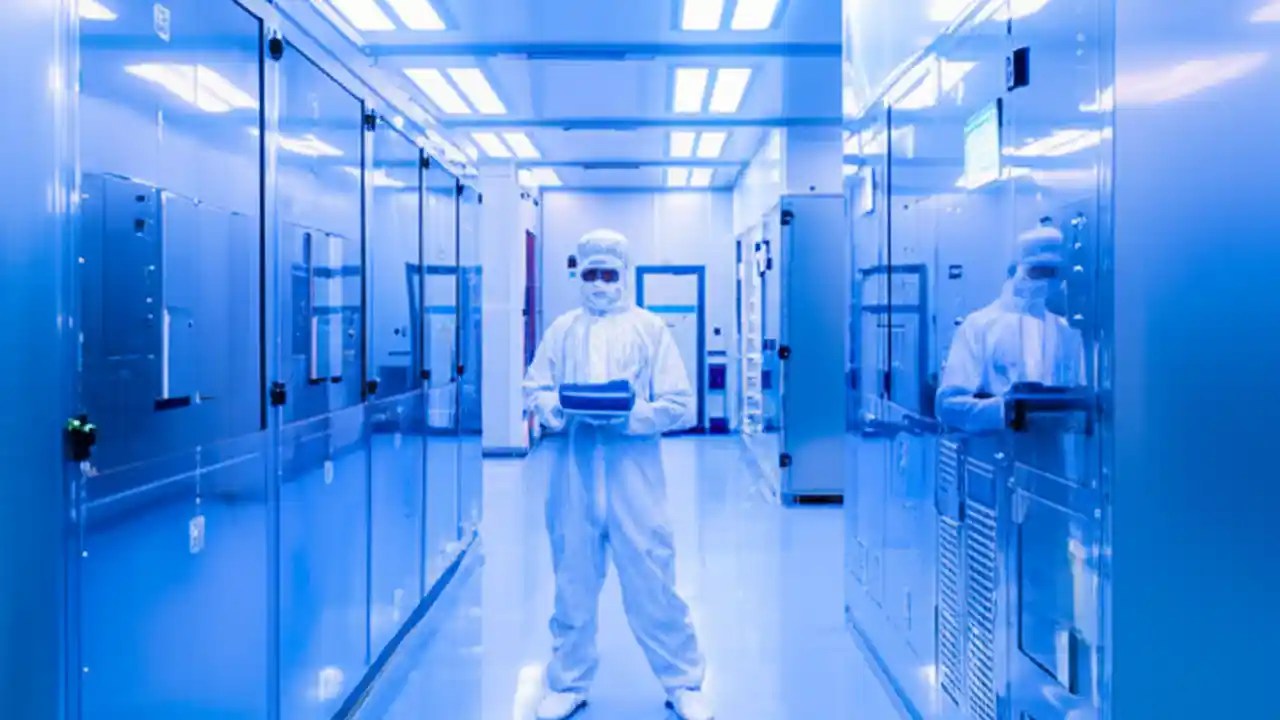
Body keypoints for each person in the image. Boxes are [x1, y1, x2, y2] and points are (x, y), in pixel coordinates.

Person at [523, 229, 713, 720]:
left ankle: (682, 683)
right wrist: (559, 408)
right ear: (579, 275)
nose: (600, 284)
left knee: (654, 581)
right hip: (575, 478)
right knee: (573, 583)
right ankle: (569, 683)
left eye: (609, 274)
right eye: (591, 274)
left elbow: (679, 402)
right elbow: (535, 388)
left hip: (635, 479)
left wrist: (631, 415)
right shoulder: (562, 330)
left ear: (624, 275)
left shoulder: (649, 329)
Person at [936, 221, 1086, 433]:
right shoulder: (978, 327)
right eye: (1036, 271)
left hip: (1052, 450)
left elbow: (1081, 406)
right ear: (1013, 271)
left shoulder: (1065, 332)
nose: (1044, 281)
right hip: (994, 449)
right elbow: (948, 407)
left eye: (1051, 273)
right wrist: (1006, 410)